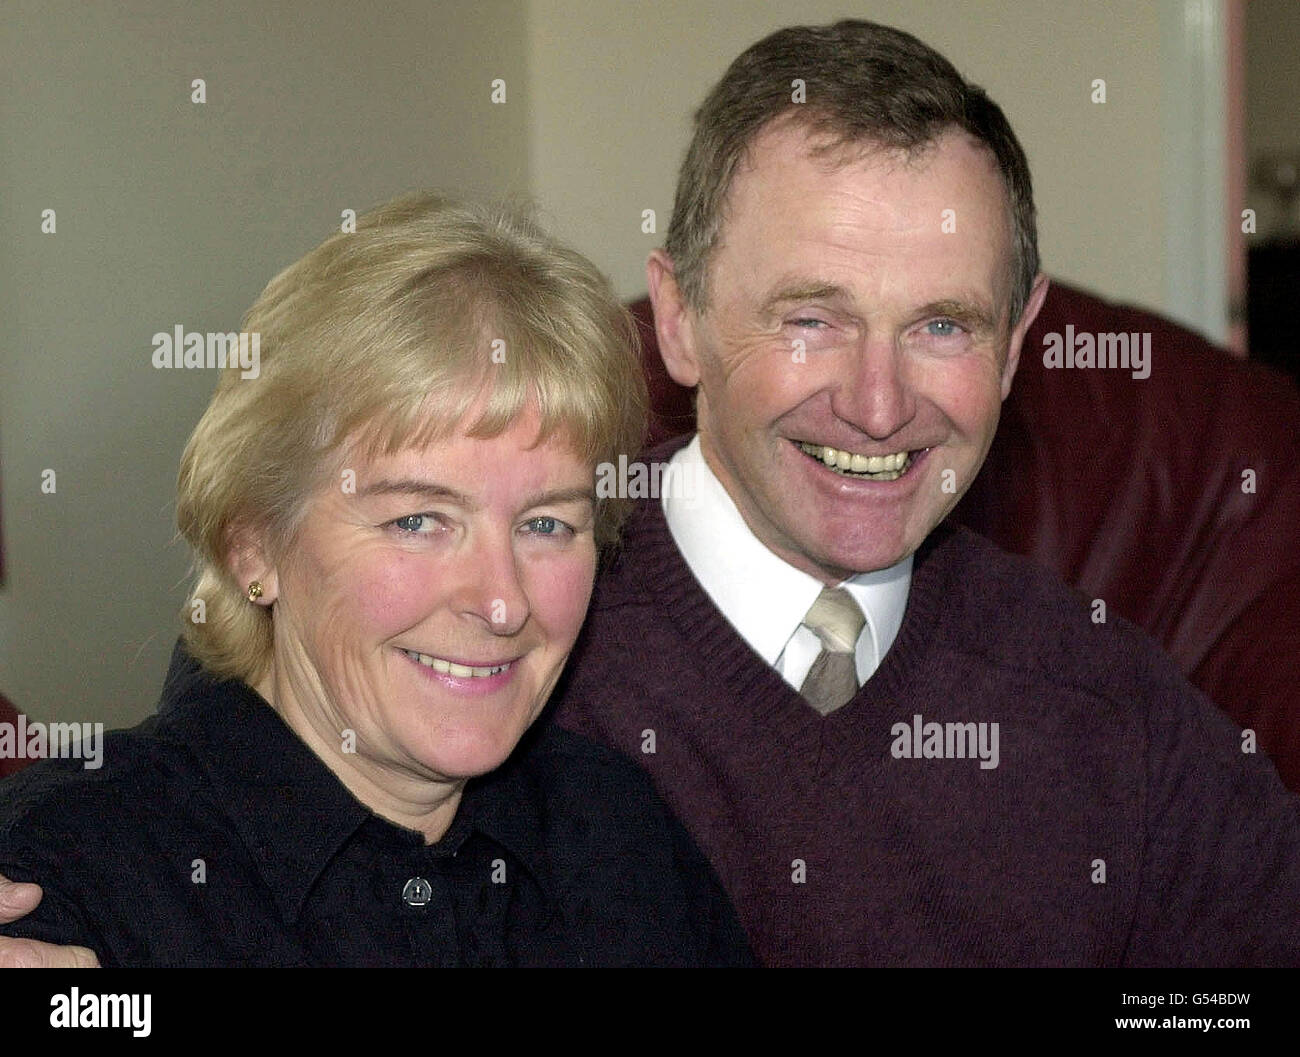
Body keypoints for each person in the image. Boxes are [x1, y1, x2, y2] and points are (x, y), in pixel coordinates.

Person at [5, 18, 1300, 969]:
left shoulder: (1106, 714)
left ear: (1020, 346)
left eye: (944, 327)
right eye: (811, 315)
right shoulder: (494, 684)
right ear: (677, 319)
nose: (878, 398)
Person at [0, 192, 752, 967]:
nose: (501, 601)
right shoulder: (72, 872)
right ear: (251, 544)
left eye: (545, 524)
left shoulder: (613, 831)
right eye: (418, 521)